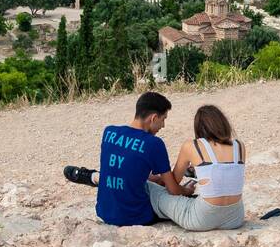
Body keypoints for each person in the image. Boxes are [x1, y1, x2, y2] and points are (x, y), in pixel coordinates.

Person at [64, 91, 191, 227]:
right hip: (136, 217)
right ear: (153, 118)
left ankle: (92, 177)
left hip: (104, 212)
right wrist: (186, 191)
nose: (163, 125)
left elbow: (130, 169)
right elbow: (173, 190)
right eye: (163, 119)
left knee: (133, 176)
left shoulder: (109, 132)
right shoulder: (154, 143)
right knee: (180, 204)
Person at [146, 104, 246, 232]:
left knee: (152, 189)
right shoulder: (240, 146)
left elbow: (173, 184)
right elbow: (226, 174)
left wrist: (182, 188)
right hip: (235, 218)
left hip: (202, 219)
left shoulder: (192, 146)